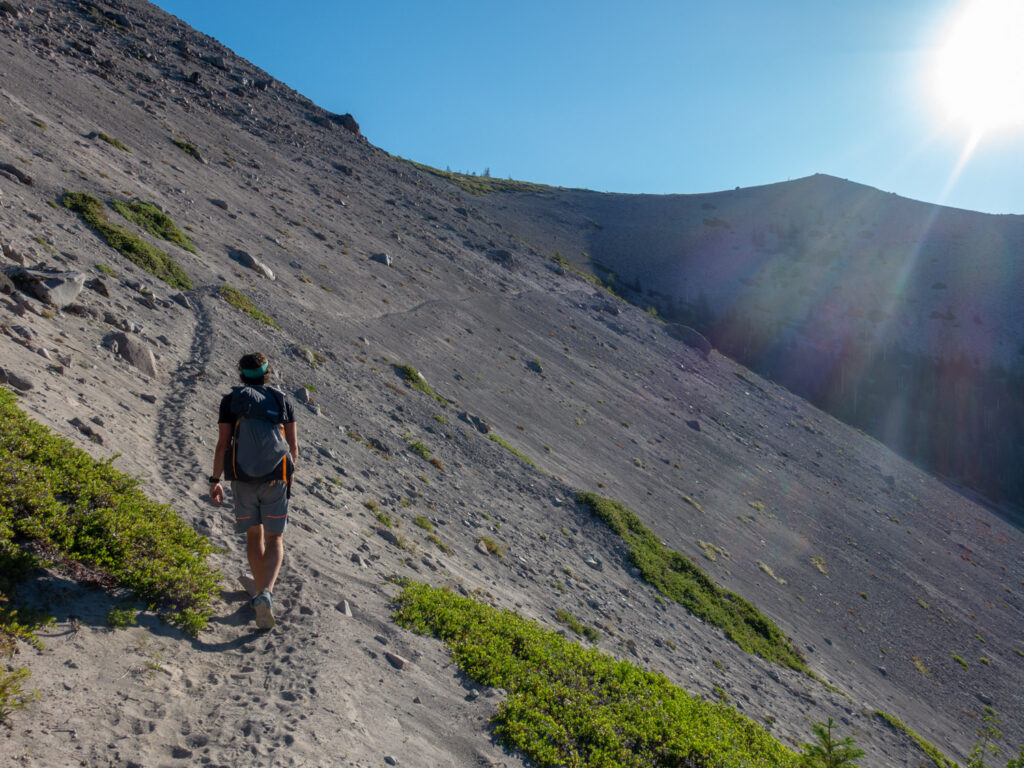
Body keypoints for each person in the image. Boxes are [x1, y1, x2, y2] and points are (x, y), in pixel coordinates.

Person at [210, 353, 298, 629]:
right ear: (267, 372)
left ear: (241, 374)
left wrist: (215, 480)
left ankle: (261, 594)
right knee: (275, 540)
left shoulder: (231, 402)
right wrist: (290, 477)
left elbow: (223, 444)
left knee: (253, 536)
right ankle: (266, 595)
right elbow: (293, 446)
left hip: (242, 478)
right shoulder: (281, 400)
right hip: (276, 477)